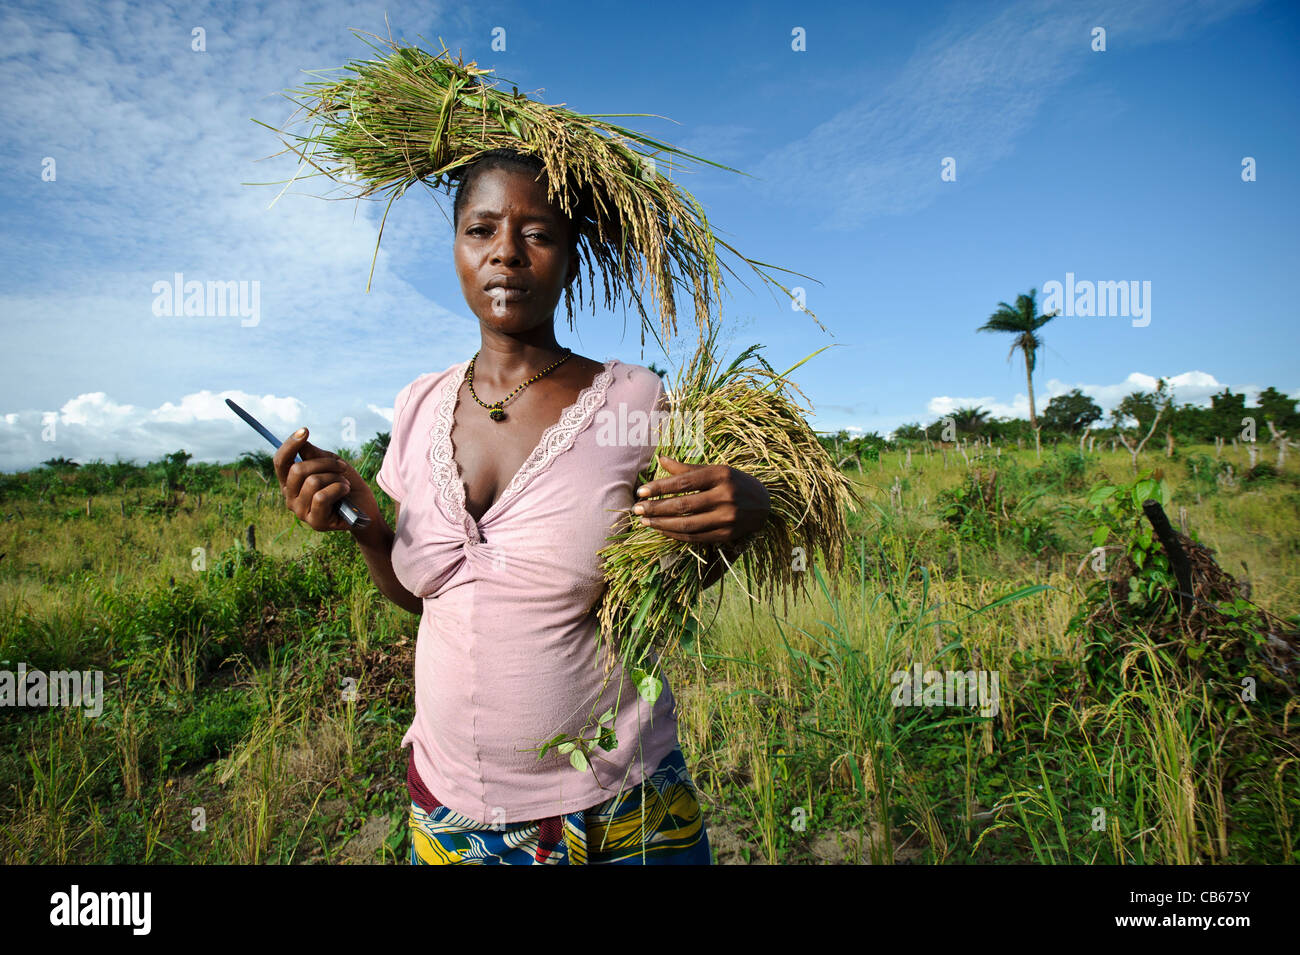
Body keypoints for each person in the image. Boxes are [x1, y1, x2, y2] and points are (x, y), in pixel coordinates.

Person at [274, 148, 771, 864]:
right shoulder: (417, 404)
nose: (505, 252)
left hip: (620, 812)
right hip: (451, 815)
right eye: (481, 230)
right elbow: (432, 598)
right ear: (455, 249)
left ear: (571, 257)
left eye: (537, 233)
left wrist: (747, 510)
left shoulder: (636, 400)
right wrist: (366, 526)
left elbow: (674, 571)